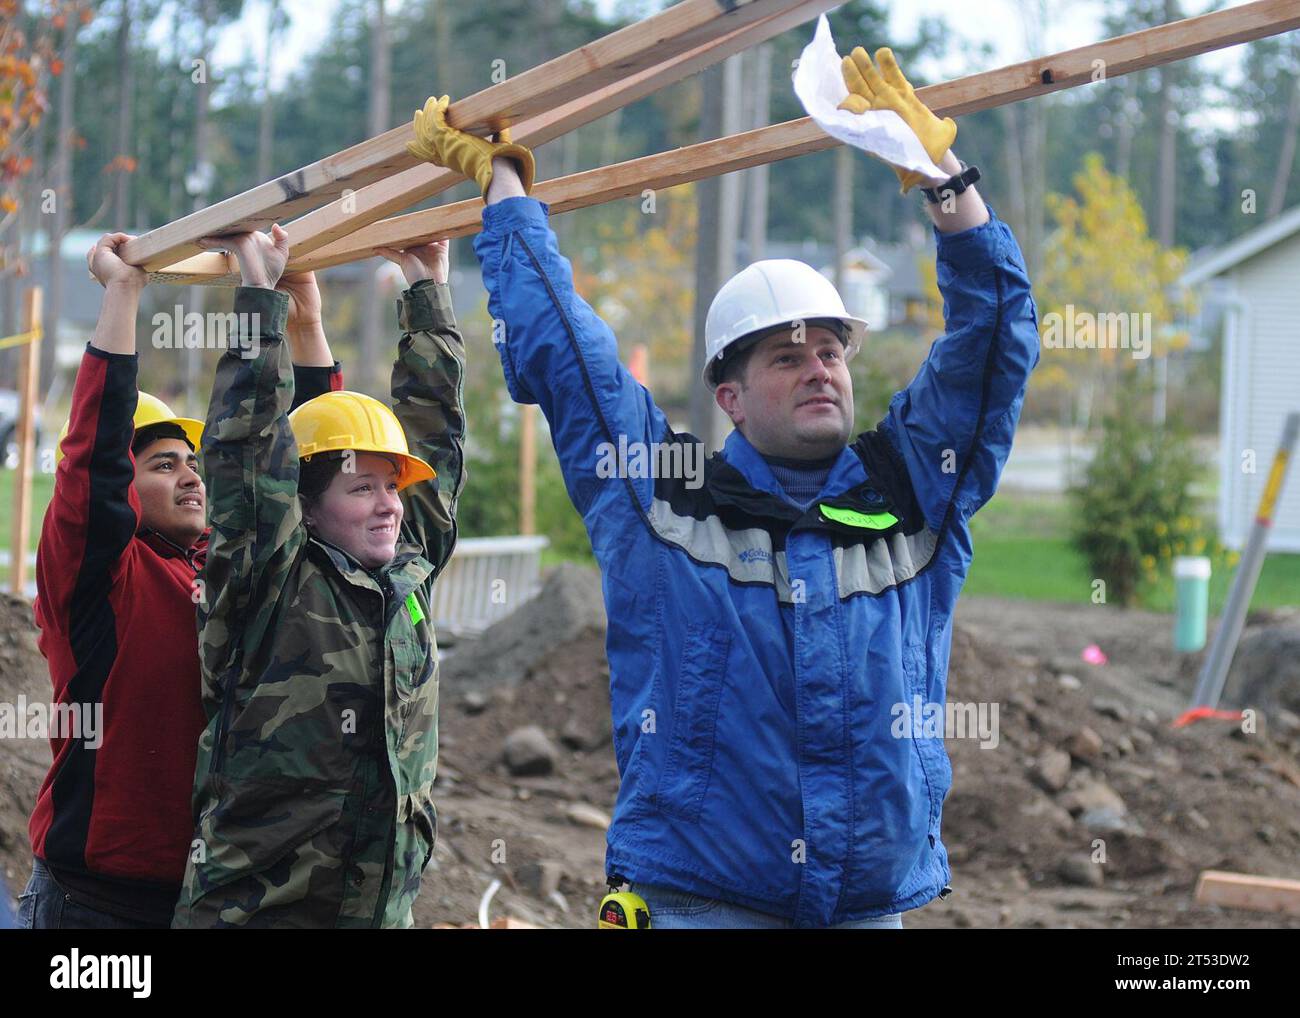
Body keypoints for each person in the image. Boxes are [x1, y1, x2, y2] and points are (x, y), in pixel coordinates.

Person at [407, 43, 1038, 929]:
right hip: (705, 905)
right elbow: (570, 362)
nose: (820, 370)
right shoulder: (665, 502)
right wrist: (504, 187)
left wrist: (942, 179)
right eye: (787, 357)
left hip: (868, 907)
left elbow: (994, 347)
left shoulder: (916, 490)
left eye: (830, 351)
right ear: (730, 397)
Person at [20, 233, 343, 929]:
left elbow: (299, 481)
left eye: (192, 460)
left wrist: (306, 323)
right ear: (128, 484)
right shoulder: (101, 578)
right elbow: (91, 466)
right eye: (164, 463)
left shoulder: (224, 570)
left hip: (213, 898)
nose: (192, 474)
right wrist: (123, 293)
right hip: (96, 906)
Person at [171, 227, 466, 929]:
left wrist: (428, 295)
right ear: (303, 503)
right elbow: (243, 448)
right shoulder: (268, 577)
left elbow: (435, 439)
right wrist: (259, 301)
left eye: (391, 488)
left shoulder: (406, 571)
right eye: (362, 488)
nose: (389, 505)